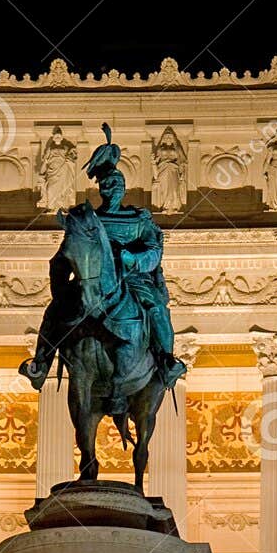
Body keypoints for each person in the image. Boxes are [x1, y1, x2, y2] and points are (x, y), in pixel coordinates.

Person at [19, 124, 185, 394]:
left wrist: (134, 259)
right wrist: (61, 288)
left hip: (133, 280)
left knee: (156, 308)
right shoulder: (87, 223)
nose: (112, 189)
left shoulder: (139, 218)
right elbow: (62, 257)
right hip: (90, 283)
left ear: (124, 187)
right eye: (107, 185)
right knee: (55, 311)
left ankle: (167, 360)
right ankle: (40, 364)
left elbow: (155, 251)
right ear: (101, 190)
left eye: (117, 184)